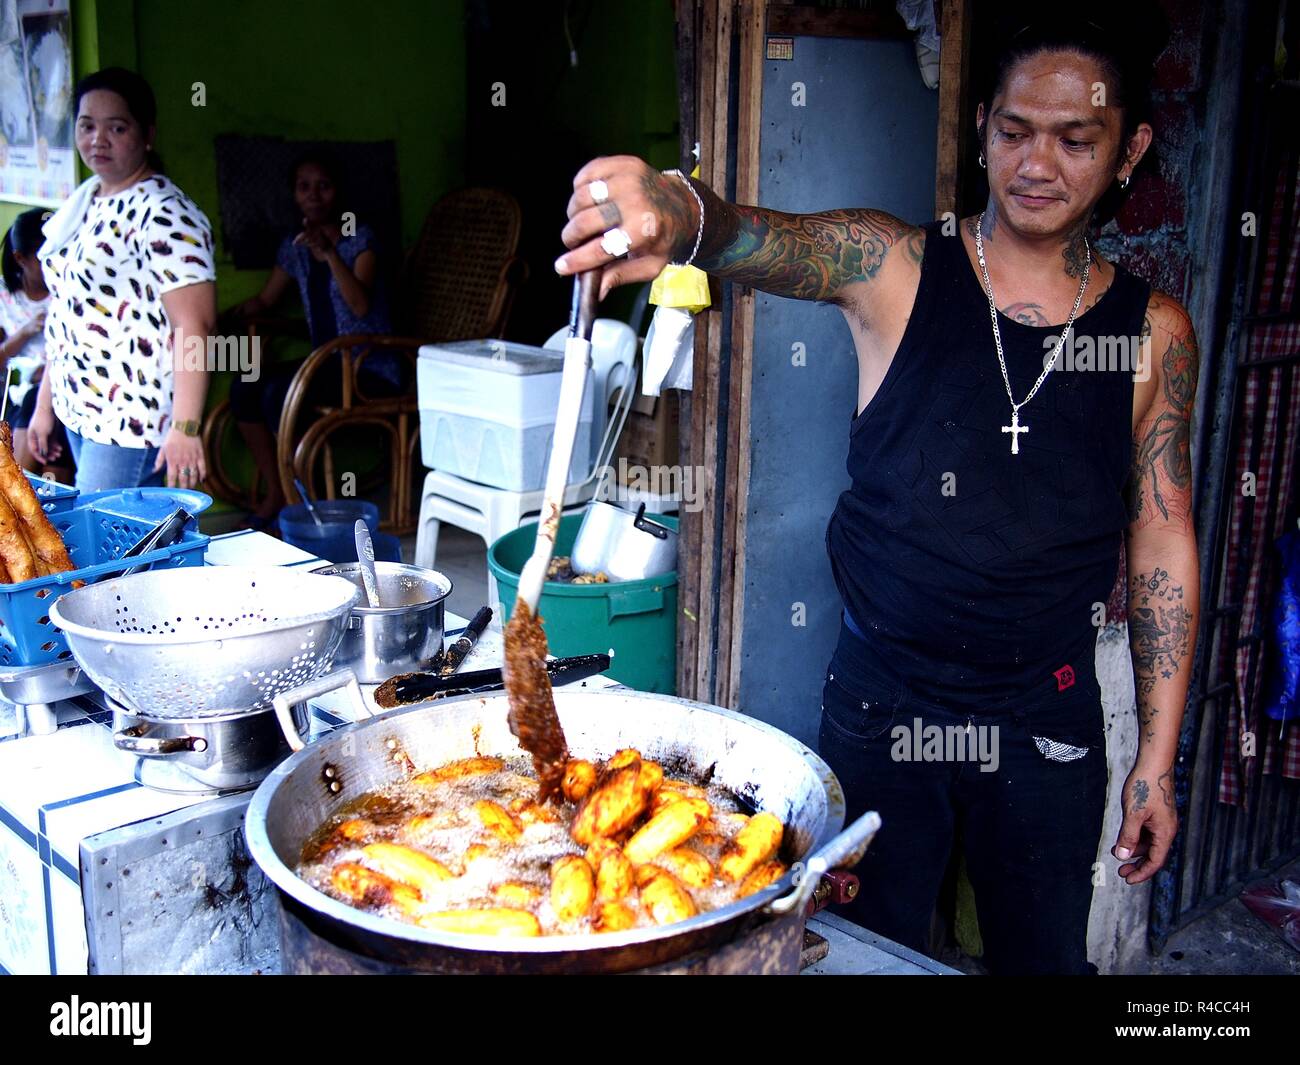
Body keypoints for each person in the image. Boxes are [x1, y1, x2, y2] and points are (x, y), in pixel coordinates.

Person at [558, 10, 1195, 975]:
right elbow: (757, 237)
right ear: (980, 125)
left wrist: (1155, 760)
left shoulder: (1153, 334)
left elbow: (1162, 538)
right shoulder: (895, 267)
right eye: (1014, 131)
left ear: (1130, 149)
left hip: (1044, 718)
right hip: (883, 699)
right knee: (858, 955)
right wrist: (677, 213)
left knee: (1044, 959)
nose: (1037, 163)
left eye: (1077, 140)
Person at [31, 67, 216, 492]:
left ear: (147, 134)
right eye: (87, 125)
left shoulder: (168, 213)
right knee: (125, 543)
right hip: (80, 408)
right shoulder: (87, 201)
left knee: (117, 548)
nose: (98, 139)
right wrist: (46, 404)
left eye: (117, 127)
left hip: (132, 422)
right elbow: (64, 309)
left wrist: (185, 427)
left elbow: (196, 326)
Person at [230, 153, 397, 527]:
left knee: (279, 393)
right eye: (304, 187)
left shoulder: (360, 237)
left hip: (366, 366)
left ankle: (300, 505)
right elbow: (267, 299)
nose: (314, 195)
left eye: (323, 186)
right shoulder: (294, 246)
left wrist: (329, 254)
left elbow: (359, 305)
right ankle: (277, 492)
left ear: (338, 193)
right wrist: (220, 318)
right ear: (294, 195)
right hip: (324, 363)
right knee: (246, 386)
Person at [0, 207, 70, 475]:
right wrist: (25, 332)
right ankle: (18, 497)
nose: (56, 263)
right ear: (20, 259)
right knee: (31, 402)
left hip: (62, 390)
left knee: (43, 407)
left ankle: (19, 498)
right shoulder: (6, 296)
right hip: (21, 394)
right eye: (45, 257)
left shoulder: (68, 289)